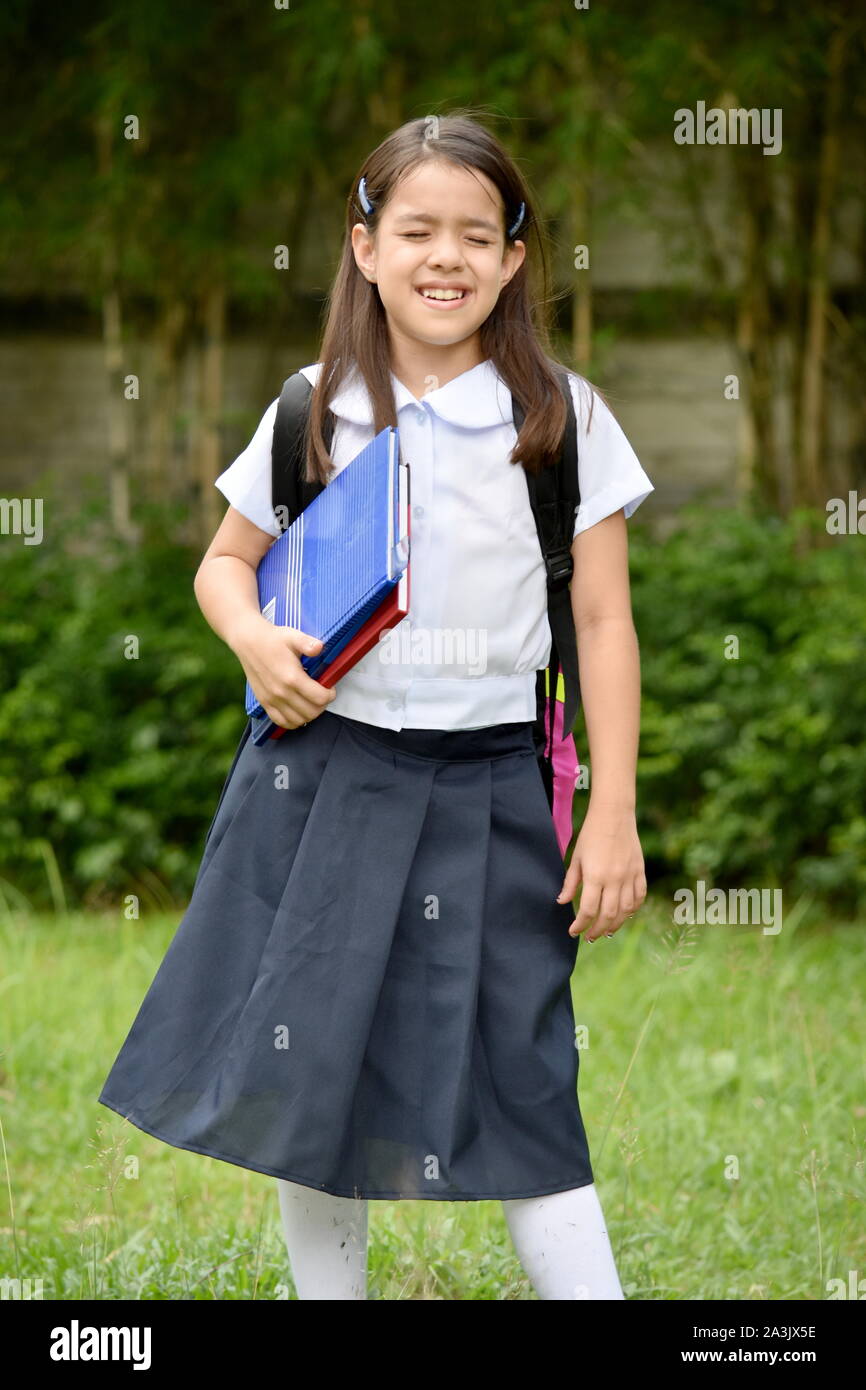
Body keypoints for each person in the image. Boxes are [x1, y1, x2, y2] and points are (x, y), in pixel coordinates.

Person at [99, 112, 654, 1301]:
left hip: (499, 786)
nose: (442, 256)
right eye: (414, 230)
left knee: (524, 1072)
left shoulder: (562, 418)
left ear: (512, 258)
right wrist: (252, 640)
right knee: (313, 1069)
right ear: (362, 247)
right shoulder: (313, 407)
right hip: (323, 779)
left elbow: (602, 622)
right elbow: (220, 564)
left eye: (473, 233)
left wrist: (611, 813)